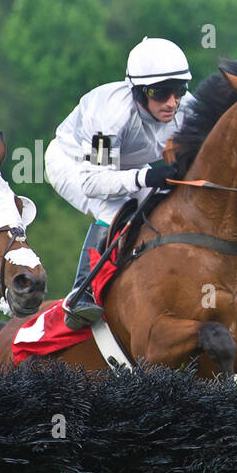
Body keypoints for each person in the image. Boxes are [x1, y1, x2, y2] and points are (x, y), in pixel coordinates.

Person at [46, 37, 195, 329]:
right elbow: (93, 182)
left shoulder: (185, 108)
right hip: (75, 164)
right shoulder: (110, 115)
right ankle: (81, 293)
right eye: (161, 93)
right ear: (138, 92)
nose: (172, 102)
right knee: (113, 206)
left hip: (126, 165)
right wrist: (146, 176)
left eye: (178, 91)